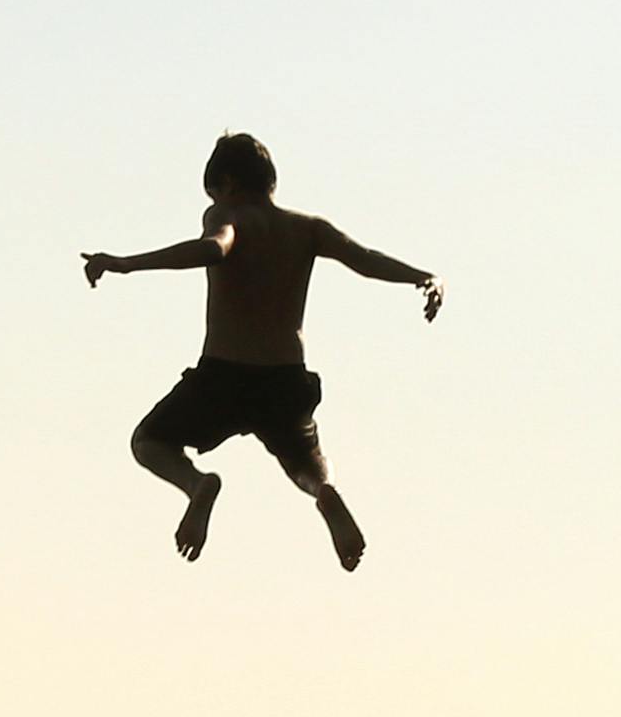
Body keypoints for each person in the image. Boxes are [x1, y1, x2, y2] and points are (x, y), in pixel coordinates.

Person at [83, 133, 434, 571]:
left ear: (226, 184)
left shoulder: (227, 215)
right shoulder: (308, 228)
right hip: (285, 378)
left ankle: (197, 485)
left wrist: (126, 263)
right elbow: (363, 258)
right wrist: (423, 277)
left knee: (148, 441)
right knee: (305, 464)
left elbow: (215, 247)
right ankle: (323, 492)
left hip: (223, 375)